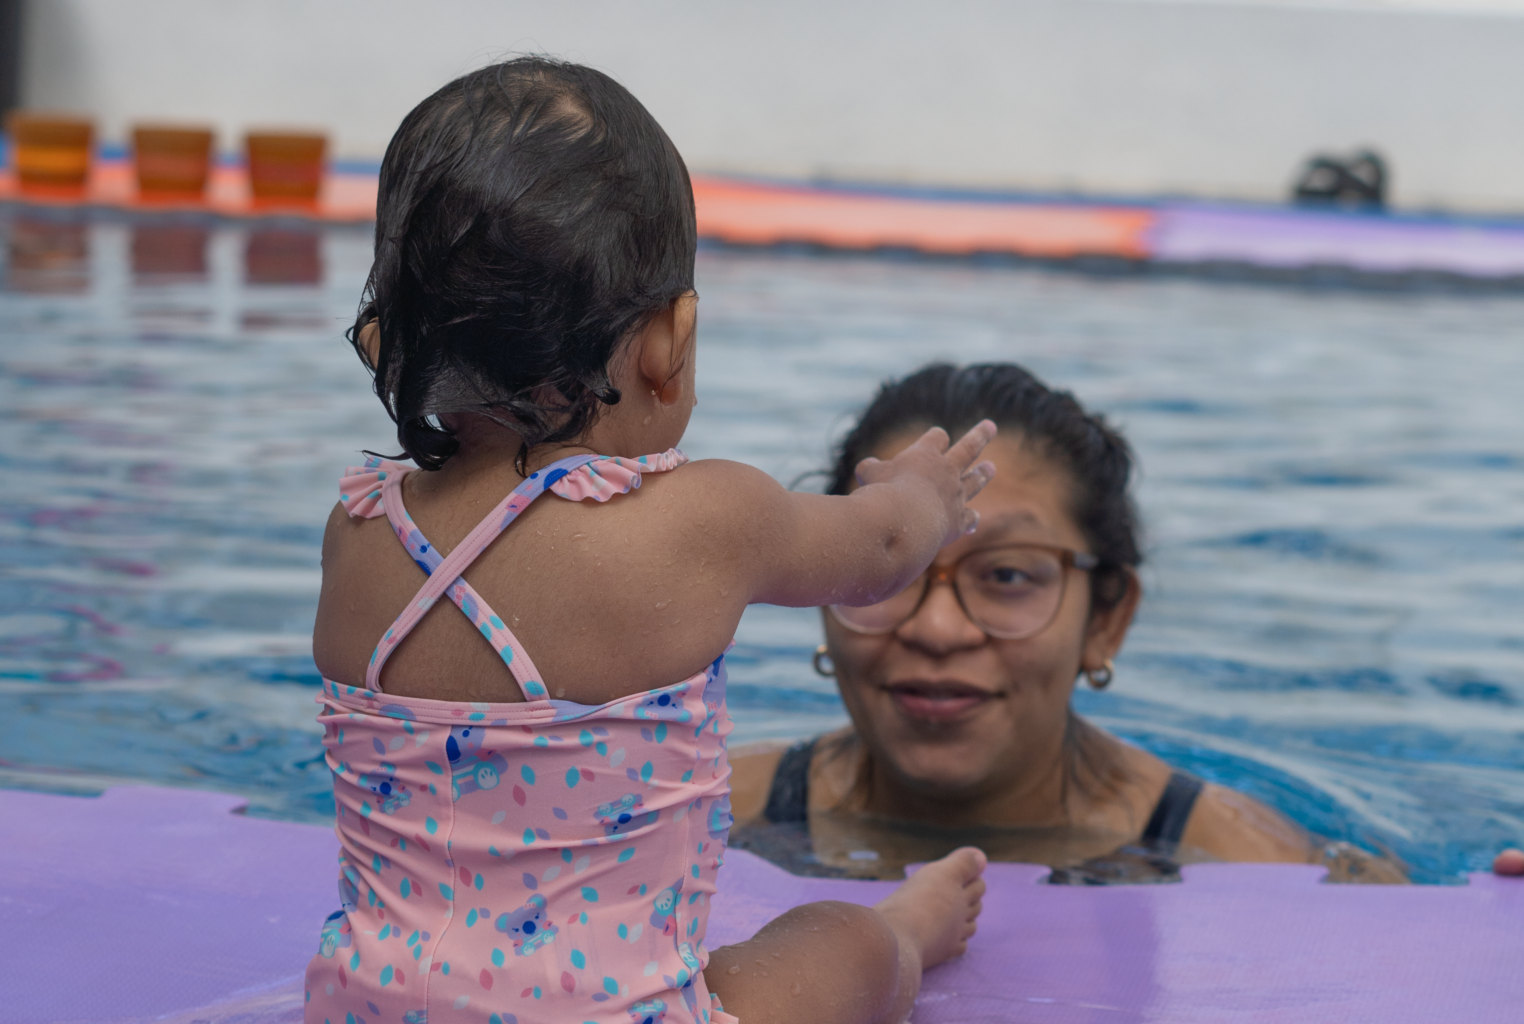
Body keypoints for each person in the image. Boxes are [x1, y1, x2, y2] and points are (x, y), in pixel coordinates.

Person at [306, 59, 994, 1024]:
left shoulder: (356, 535)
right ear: (669, 345)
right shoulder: (701, 523)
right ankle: (907, 933)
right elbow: (877, 552)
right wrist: (923, 494)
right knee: (839, 943)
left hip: (360, 1012)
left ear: (384, 344)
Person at [729, 363, 1401, 884]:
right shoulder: (717, 808)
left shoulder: (1250, 859)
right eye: (890, 570)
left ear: (1107, 619)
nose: (937, 629)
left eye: (1009, 575)